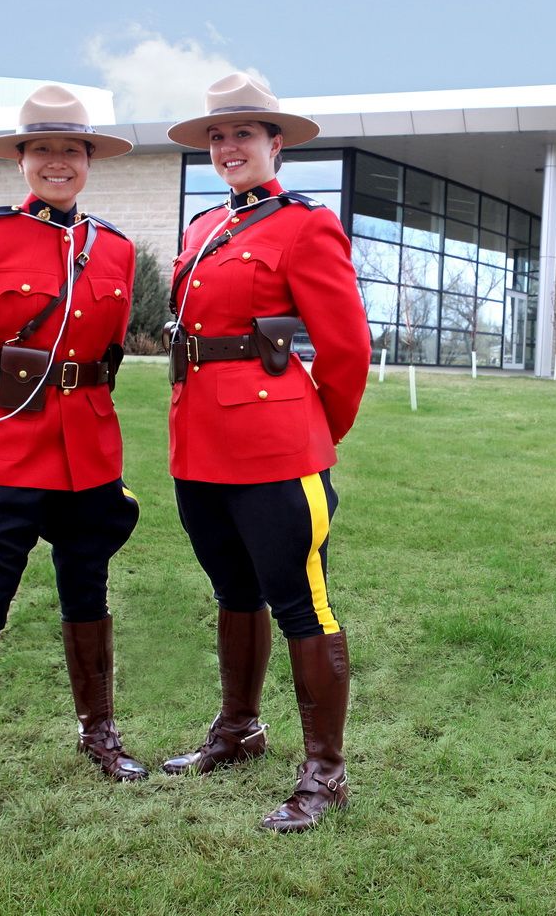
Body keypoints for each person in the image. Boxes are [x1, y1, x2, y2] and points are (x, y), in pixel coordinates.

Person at [0, 85, 147, 824]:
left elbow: (107, 353)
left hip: (88, 454)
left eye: (71, 149)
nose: (57, 162)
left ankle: (98, 733)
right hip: (4, 452)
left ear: (88, 160)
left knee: (89, 592)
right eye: (42, 148)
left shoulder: (114, 249)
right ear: (20, 159)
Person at [161, 73, 371, 832]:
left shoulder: (306, 225)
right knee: (233, 591)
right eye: (217, 136)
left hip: (277, 448)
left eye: (243, 134)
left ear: (275, 144)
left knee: (301, 602)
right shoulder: (203, 228)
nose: (228, 148)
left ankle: (325, 773)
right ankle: (239, 730)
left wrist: (313, 435)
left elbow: (347, 348)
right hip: (200, 445)